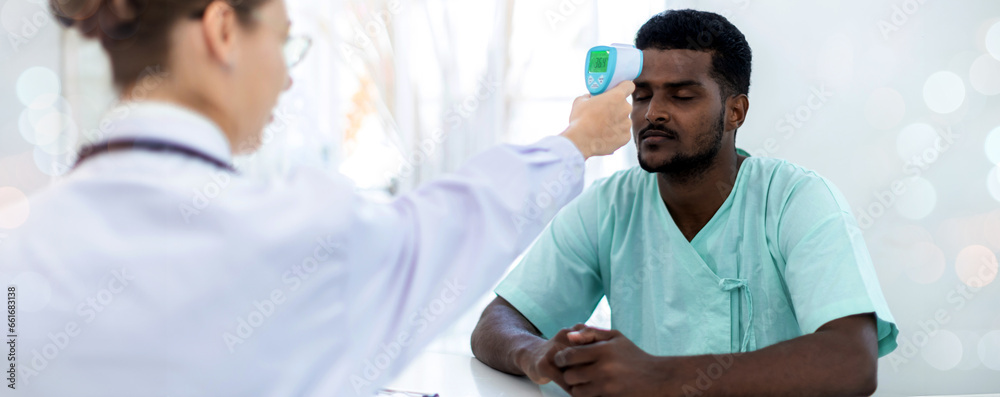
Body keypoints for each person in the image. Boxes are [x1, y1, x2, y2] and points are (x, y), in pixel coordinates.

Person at [0, 0, 635, 395]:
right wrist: (577, 141)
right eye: (283, 41)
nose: (288, 74)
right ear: (222, 29)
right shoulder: (289, 233)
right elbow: (443, 226)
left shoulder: (18, 252)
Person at [470, 9, 898, 397]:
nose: (653, 112)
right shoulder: (610, 206)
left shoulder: (793, 200)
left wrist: (654, 376)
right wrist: (537, 355)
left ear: (735, 112)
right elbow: (497, 322)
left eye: (681, 95)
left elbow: (851, 362)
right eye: (642, 95)